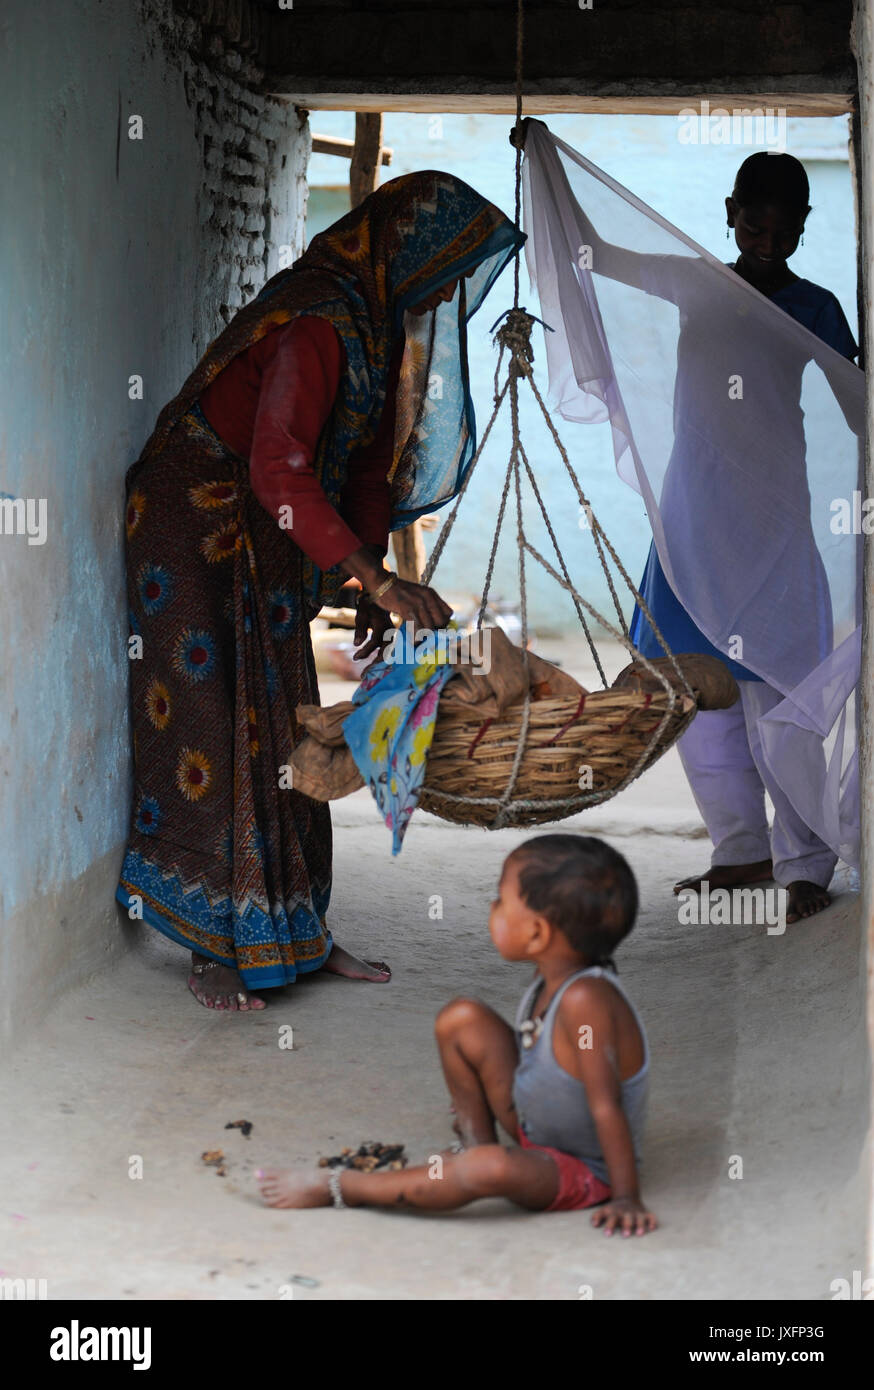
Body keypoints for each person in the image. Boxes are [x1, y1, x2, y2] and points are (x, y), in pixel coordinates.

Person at [116, 171, 525, 1011]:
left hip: (262, 520)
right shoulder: (315, 321)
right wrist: (372, 577)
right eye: (444, 266)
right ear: (403, 252)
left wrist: (375, 581)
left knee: (287, 710)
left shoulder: (375, 334)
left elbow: (369, 465)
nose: (449, 288)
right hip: (190, 515)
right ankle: (212, 944)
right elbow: (278, 463)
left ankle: (296, 926)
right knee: (213, 711)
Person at [629, 153, 858, 924]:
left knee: (779, 692)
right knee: (699, 697)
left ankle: (805, 862)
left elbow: (859, 411)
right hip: (692, 520)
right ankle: (740, 852)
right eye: (754, 221)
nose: (767, 238)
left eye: (784, 225)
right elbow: (603, 253)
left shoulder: (817, 309)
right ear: (729, 213)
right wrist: (543, 165)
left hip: (773, 526)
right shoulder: (696, 283)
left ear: (802, 225)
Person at [258, 835, 656, 1236]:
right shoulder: (555, 974)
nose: (491, 907)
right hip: (535, 1127)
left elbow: (606, 1104)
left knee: (492, 1169)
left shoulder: (585, 1000)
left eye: (500, 900)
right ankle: (475, 1141)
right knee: (461, 1018)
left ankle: (343, 1187)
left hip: (576, 1167)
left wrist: (626, 1196)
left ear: (537, 933)